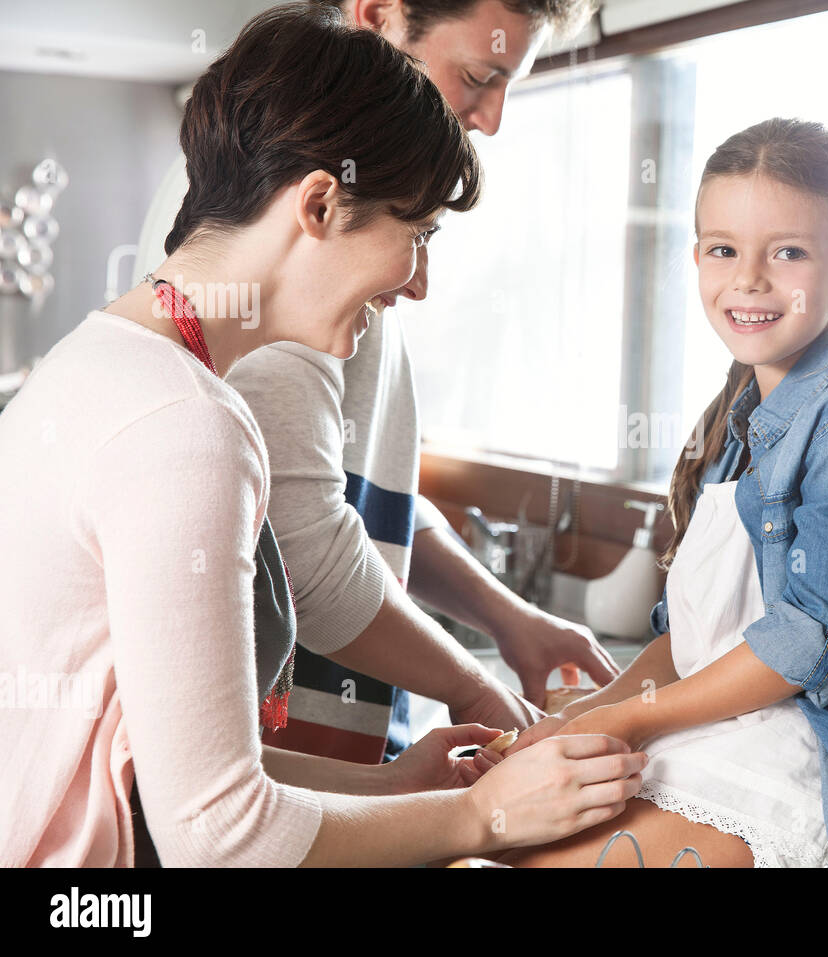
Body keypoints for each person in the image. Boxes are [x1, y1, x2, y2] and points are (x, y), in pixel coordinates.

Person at [0, 3, 642, 868]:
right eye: (414, 236)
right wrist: (484, 818)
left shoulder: (99, 362)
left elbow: (182, 768)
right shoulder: (185, 427)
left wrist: (400, 787)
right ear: (319, 205)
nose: (416, 283)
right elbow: (219, 838)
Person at [134, 0, 615, 770]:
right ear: (380, 14)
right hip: (278, 747)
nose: (490, 118)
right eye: (480, 75)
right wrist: (471, 686)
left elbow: (346, 487)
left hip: (328, 747)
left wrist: (506, 618)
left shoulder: (335, 235)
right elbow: (303, 541)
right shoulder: (291, 254)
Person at [501, 118, 828, 867]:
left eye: (788, 252)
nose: (749, 278)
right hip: (726, 734)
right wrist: (585, 716)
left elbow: (803, 648)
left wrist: (629, 721)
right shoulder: (740, 420)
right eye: (724, 250)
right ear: (696, 260)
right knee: (500, 835)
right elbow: (692, 639)